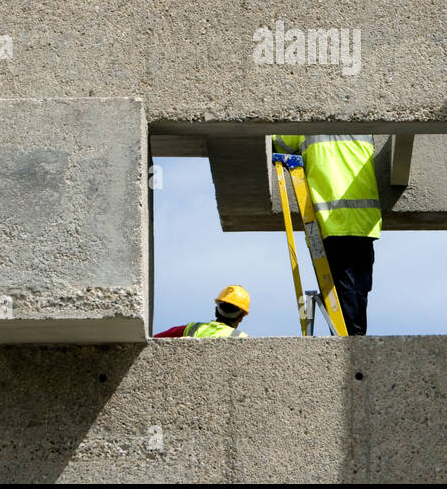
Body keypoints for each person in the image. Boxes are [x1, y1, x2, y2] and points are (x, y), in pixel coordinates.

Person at [272, 134, 381, 335]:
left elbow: (277, 142)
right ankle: (356, 338)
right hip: (365, 223)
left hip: (331, 223)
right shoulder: (364, 129)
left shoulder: (306, 128)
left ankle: (349, 341)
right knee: (360, 289)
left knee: (342, 290)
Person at [153, 285, 251, 338]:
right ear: (241, 317)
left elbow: (155, 339)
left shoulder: (192, 328)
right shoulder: (241, 338)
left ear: (216, 310)